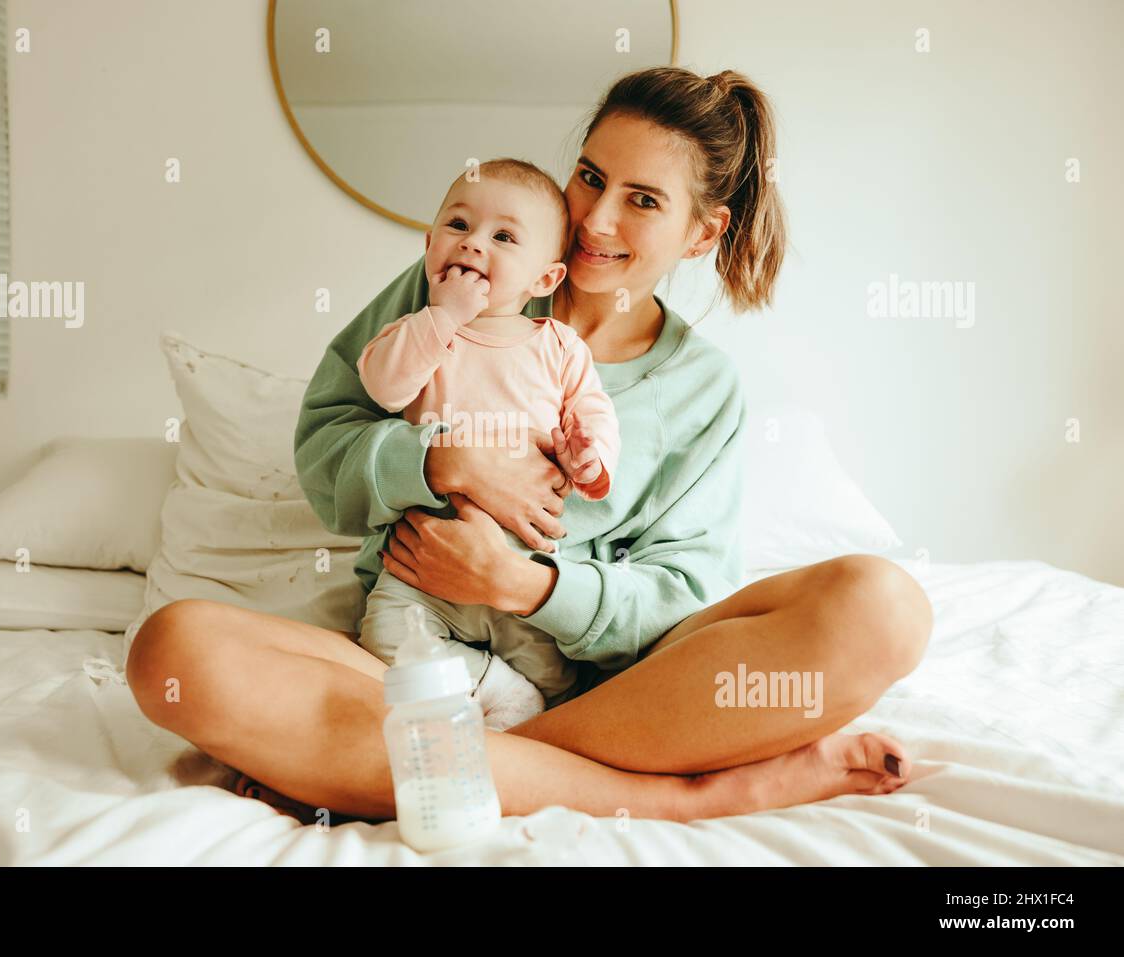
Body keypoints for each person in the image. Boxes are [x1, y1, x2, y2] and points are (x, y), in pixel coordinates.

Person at [126, 67, 933, 824]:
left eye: (642, 199)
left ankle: (411, 764)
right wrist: (437, 459)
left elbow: (681, 593)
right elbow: (325, 439)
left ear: (701, 233)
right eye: (590, 176)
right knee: (173, 649)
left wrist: (525, 585)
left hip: (610, 696)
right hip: (419, 651)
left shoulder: (702, 386)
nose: (595, 218)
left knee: (885, 608)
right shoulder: (462, 279)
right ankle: (660, 794)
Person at [355, 157, 622, 731]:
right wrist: (442, 315)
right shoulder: (420, 334)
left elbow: (594, 414)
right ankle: (489, 686)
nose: (473, 244)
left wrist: (588, 458)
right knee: (383, 642)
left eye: (502, 236)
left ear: (545, 280)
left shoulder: (559, 346)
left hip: (520, 563)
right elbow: (383, 386)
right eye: (457, 226)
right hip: (421, 564)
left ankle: (522, 725)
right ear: (430, 247)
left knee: (557, 681)